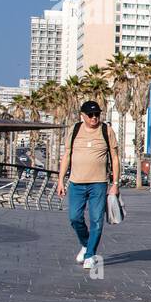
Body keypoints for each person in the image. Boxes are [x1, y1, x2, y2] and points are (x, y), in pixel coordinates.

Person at [57, 100, 119, 269]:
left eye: (97, 114)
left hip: (98, 184)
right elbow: (67, 155)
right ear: (82, 116)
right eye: (90, 115)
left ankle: (90, 254)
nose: (94, 118)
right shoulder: (75, 130)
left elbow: (114, 158)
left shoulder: (107, 130)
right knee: (74, 218)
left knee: (97, 220)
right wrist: (60, 180)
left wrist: (115, 183)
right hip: (76, 183)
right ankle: (85, 244)